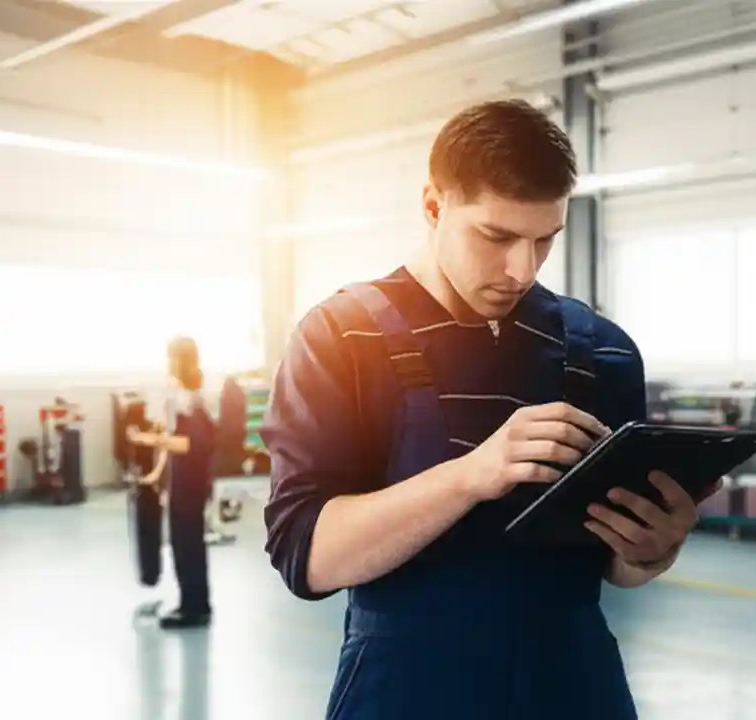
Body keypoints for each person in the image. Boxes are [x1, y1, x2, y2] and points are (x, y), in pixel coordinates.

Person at [261, 99, 719, 718]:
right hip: (408, 689)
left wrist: (652, 550)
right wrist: (472, 475)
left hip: (574, 682)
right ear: (433, 206)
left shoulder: (606, 352)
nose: (521, 269)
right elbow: (306, 557)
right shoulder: (340, 338)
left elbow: (616, 571)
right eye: (496, 236)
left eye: (544, 240)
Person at [128, 336, 216, 629]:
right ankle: (192, 602)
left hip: (192, 481)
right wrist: (155, 476)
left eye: (171, 357)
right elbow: (172, 446)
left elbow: (190, 443)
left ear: (182, 360)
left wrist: (151, 439)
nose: (168, 363)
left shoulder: (194, 398)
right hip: (182, 480)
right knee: (182, 542)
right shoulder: (180, 395)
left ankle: (194, 607)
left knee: (188, 543)